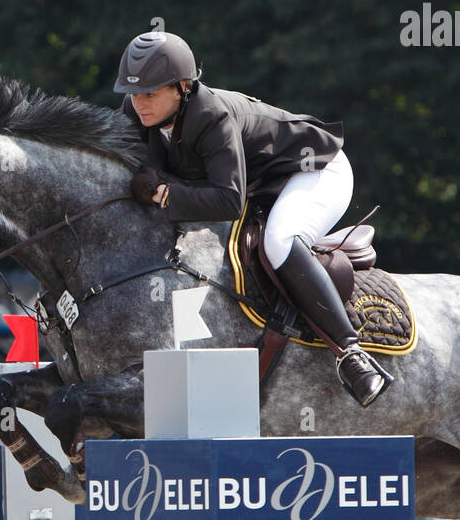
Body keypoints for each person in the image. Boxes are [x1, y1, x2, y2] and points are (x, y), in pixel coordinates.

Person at [115, 30, 390, 408]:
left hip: (316, 170)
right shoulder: (136, 111)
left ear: (181, 87)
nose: (139, 104)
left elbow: (227, 199)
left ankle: (352, 354)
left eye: (150, 93)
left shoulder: (211, 116)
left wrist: (163, 193)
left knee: (278, 241)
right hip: (262, 184)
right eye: (133, 93)